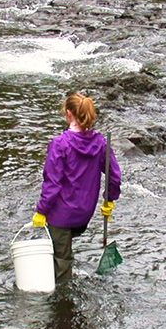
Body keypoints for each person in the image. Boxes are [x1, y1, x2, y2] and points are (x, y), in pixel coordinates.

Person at [33, 93, 122, 284]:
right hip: (84, 214)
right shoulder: (101, 143)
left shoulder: (60, 144)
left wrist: (41, 211)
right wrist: (109, 199)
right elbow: (114, 176)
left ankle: (63, 305)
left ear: (68, 114)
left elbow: (52, 183)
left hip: (62, 216)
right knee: (63, 247)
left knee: (61, 260)